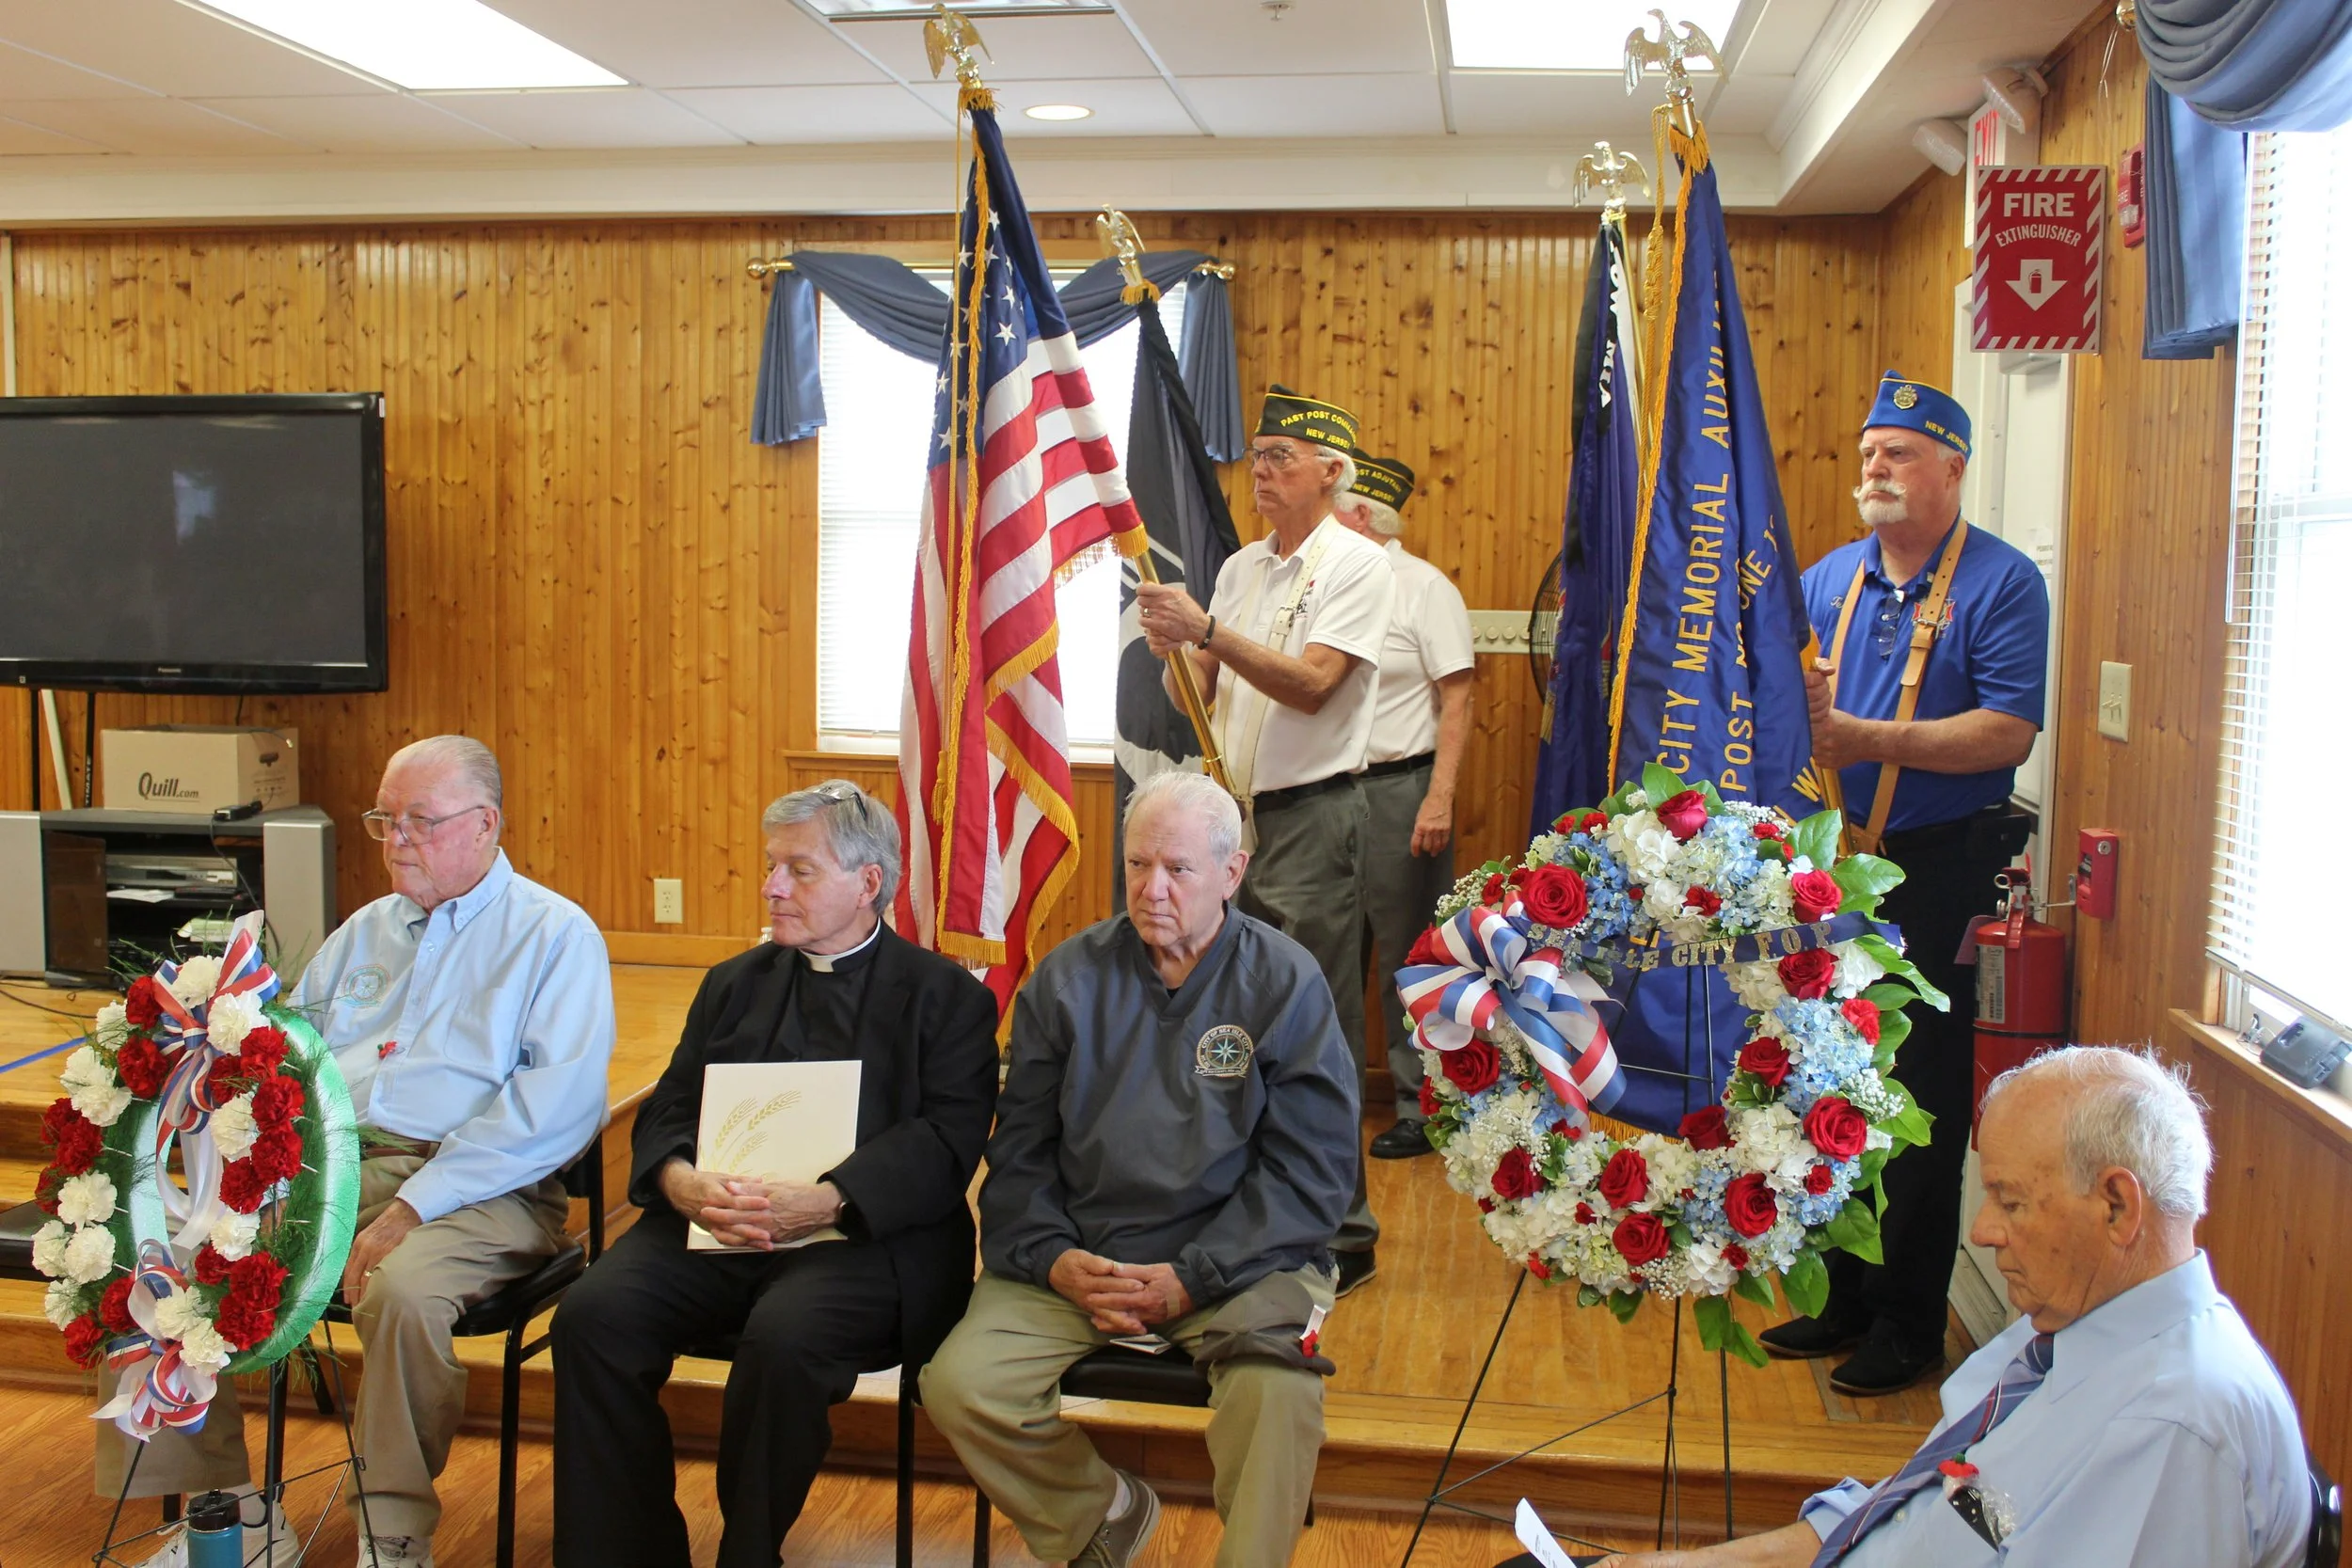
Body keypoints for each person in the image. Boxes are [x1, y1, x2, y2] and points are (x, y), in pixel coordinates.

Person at [97, 735, 617, 1568]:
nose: (395, 839)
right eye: (384, 820)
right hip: (336, 1166)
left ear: (485, 824)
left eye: (419, 820)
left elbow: (552, 1109)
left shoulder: (553, 935)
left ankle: (393, 1527)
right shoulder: (365, 931)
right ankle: (224, 1515)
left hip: (489, 1186)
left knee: (402, 1289)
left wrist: (416, 1203)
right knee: (169, 1261)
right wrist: (259, 1170)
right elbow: (288, 1061)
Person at [1565, 1047, 2309, 1568]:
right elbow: (1935, 1513)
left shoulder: (2171, 1428)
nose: (1983, 1232)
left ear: (2117, 1204)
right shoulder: (2071, 1335)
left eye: (2011, 1201)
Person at [549, 780, 998, 1568]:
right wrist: (682, 1182)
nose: (772, 885)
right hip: (719, 1221)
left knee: (786, 1336)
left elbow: (946, 1141)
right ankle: (630, 1552)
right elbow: (670, 1105)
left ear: (868, 884)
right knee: (592, 1315)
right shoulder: (735, 983)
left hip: (866, 1241)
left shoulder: (945, 996)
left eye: (798, 869)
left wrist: (829, 1197)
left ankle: (748, 1555)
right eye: (770, 866)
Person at [921, 770, 1359, 1568]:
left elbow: (1314, 1171)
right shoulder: (1066, 978)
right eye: (1136, 865)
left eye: (1178, 868)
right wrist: (1056, 1259)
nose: (1152, 889)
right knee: (960, 1382)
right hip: (1086, 1258)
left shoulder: (1286, 981)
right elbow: (1017, 1151)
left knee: (1278, 1389)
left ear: (1232, 873)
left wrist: (1193, 1275)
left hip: (1239, 1263)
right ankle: (1099, 1513)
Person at [1765, 372, 2052, 1395]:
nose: (1875, 467)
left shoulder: (2003, 582)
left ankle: (1908, 1317)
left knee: (1912, 1098)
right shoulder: (1831, 577)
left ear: (1953, 467)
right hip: (1829, 868)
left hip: (1933, 872)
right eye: (1868, 450)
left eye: (1899, 451)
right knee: (1822, 1085)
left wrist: (1863, 735)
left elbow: (2006, 730)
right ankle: (1843, 1291)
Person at [1136, 384, 1394, 1295]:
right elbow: (1198, 696)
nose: (1262, 471)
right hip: (1231, 818)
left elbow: (1315, 685)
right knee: (1233, 1014)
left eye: (1282, 455)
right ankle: (1251, 1198)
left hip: (1314, 815)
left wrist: (1207, 629)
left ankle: (1344, 1224)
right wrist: (1176, 648)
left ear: (1332, 471)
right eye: (1255, 453)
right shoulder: (1243, 566)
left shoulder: (1359, 566)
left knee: (1311, 1021)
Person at [1332, 452, 1475, 1162]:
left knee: (1407, 957)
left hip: (1400, 789)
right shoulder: (1327, 585)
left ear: (1363, 516)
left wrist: (1439, 797)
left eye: (1334, 505)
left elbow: (1458, 695)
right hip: (1327, 792)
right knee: (1329, 950)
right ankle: (1326, 1098)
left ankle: (1425, 1104)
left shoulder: (1424, 589)